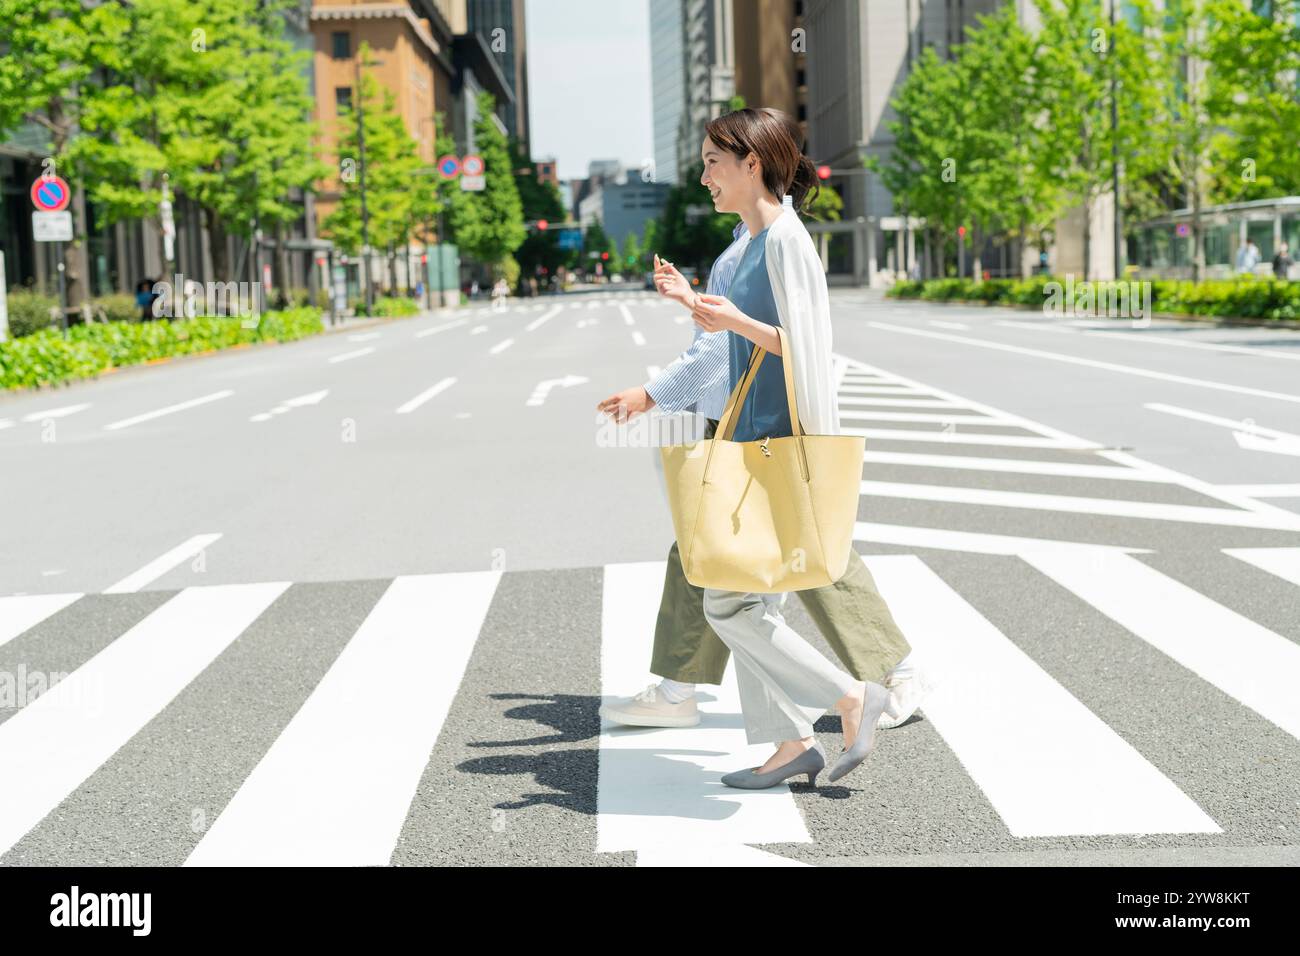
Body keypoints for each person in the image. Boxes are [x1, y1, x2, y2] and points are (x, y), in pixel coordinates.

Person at [601, 108, 922, 790]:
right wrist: (701, 305)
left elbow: (808, 347)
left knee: (734, 604)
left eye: (716, 160)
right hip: (748, 439)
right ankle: (789, 743)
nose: (704, 174)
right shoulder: (747, 244)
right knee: (746, 602)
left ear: (753, 164)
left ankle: (850, 695)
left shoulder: (784, 240)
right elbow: (734, 344)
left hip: (778, 442)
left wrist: (734, 321)